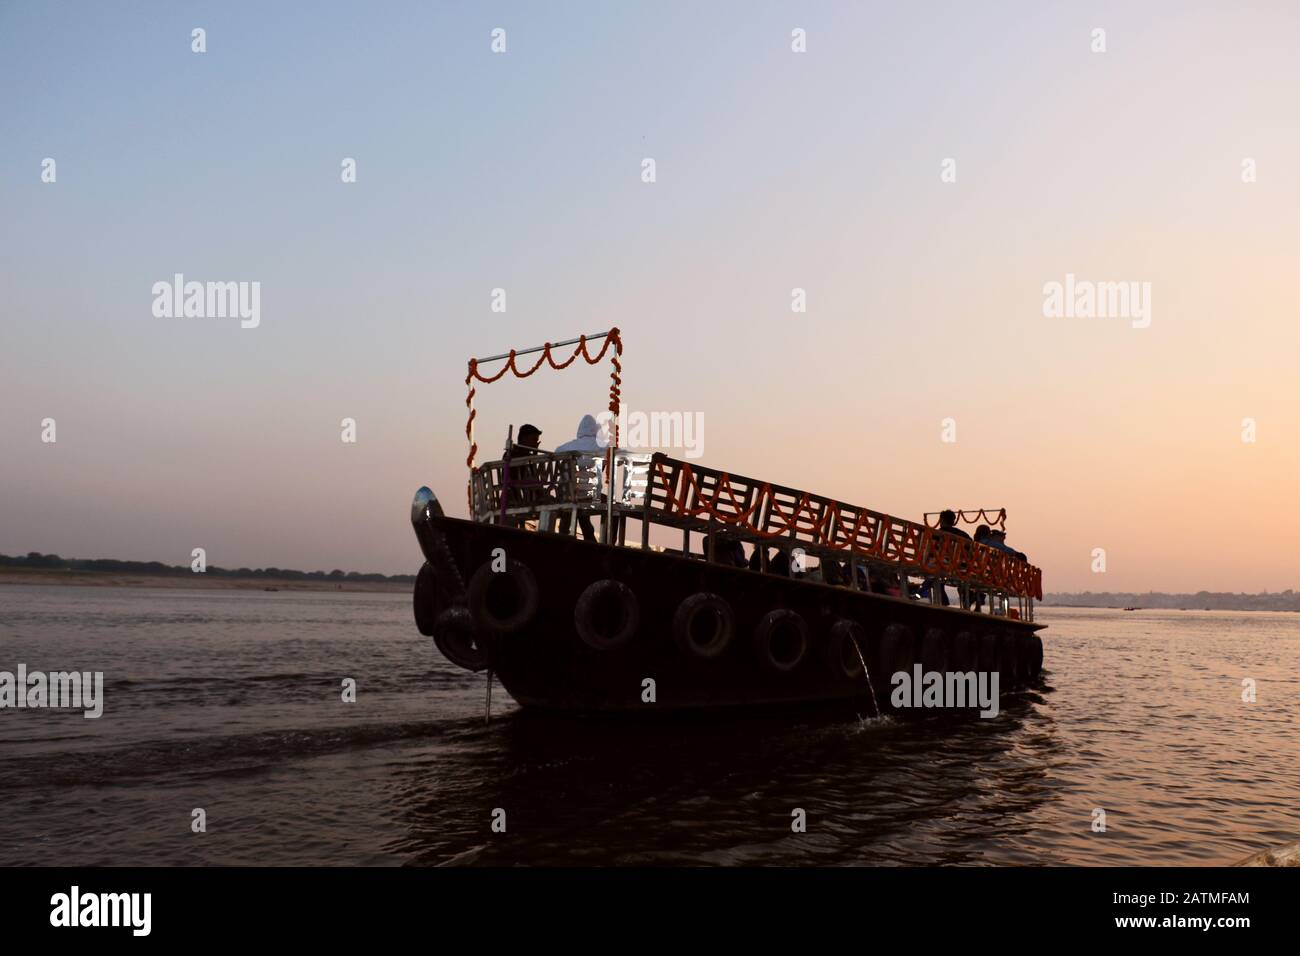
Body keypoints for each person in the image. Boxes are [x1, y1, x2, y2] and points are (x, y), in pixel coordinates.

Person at [554, 415, 604, 541]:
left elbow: (555, 454)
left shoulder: (564, 448)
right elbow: (619, 455)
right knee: (614, 510)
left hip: (567, 495)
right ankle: (606, 542)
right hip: (590, 495)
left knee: (573, 507)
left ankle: (564, 538)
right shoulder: (601, 447)